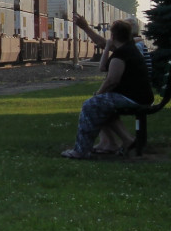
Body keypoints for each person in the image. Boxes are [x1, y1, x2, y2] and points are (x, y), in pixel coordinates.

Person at [62, 19, 154, 159]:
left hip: (134, 98)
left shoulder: (121, 54)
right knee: (101, 104)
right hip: (140, 96)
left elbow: (112, 81)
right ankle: (123, 141)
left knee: (90, 105)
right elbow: (104, 68)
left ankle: (80, 151)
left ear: (113, 36)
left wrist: (99, 94)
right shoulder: (129, 49)